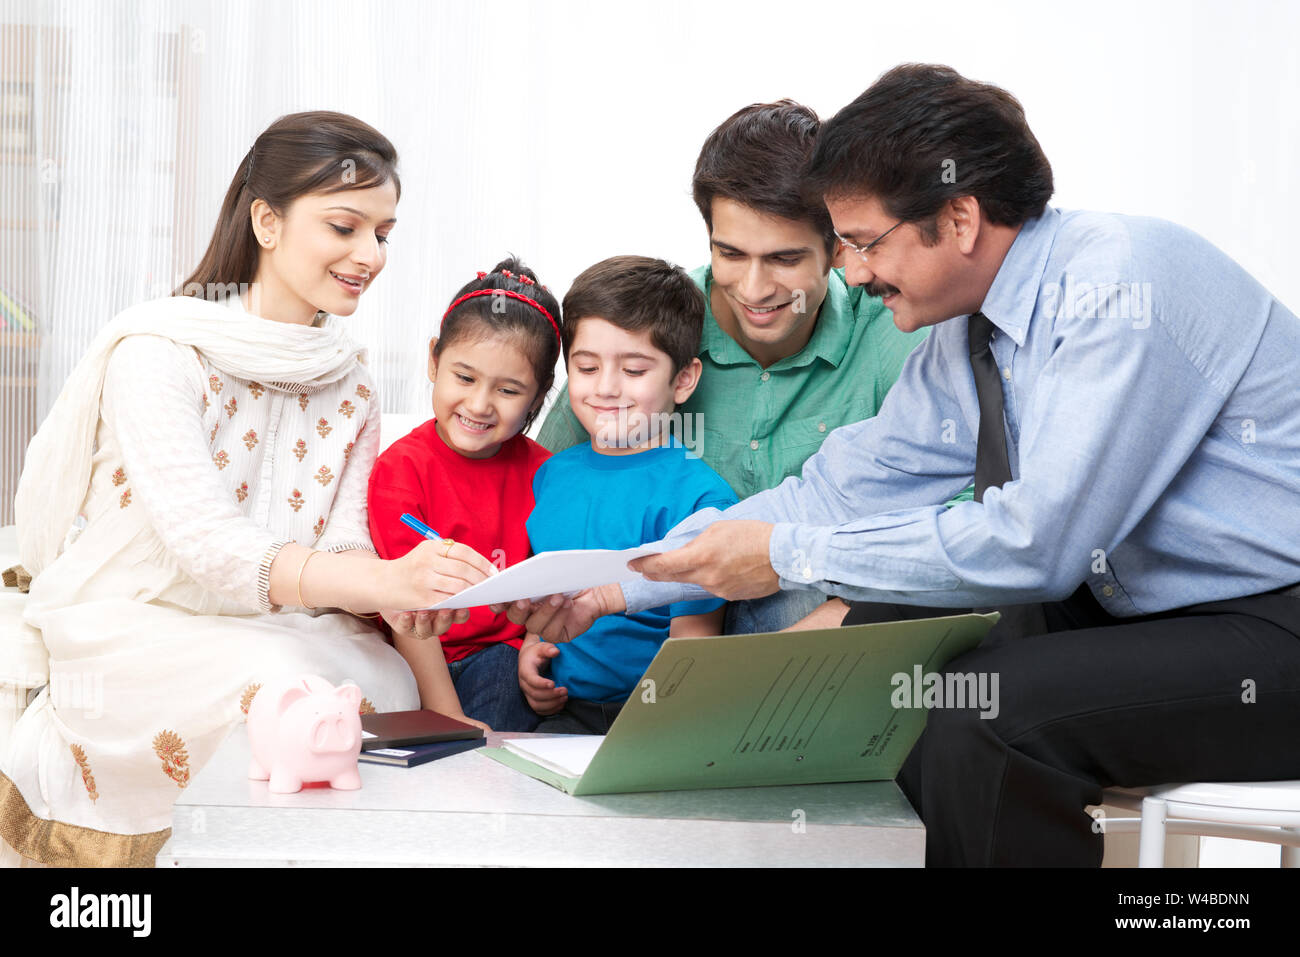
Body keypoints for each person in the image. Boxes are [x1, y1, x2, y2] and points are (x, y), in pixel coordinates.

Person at [505, 65, 1300, 866]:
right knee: (886, 646)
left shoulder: (1113, 284)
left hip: (1273, 622)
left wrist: (782, 555)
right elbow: (833, 491)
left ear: (958, 217)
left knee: (985, 719)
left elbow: (1038, 545)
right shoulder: (969, 332)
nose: (850, 273)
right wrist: (617, 583)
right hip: (1143, 613)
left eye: (861, 242)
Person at [0, 111, 494, 867]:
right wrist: (378, 577)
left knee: (385, 674)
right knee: (281, 693)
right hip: (138, 618)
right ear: (267, 220)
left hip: (282, 621)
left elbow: (343, 541)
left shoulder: (351, 377)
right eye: (345, 226)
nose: (371, 254)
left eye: (383, 233)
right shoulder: (161, 354)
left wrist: (395, 588)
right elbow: (210, 547)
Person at [535, 100, 943, 635]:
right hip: (650, 625)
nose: (753, 290)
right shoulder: (645, 328)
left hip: (816, 614)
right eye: (731, 254)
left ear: (838, 250)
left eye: (784, 259)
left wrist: (845, 620)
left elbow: (958, 509)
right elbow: (542, 483)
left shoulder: (897, 331)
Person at [518, 256, 737, 734]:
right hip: (565, 712)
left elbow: (693, 643)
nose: (606, 388)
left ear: (683, 379)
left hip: (656, 718)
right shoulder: (549, 475)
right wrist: (531, 650)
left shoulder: (701, 498)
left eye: (634, 370)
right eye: (587, 367)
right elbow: (541, 593)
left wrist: (658, 725)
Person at [367, 259, 557, 732]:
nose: (478, 405)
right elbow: (407, 613)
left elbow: (552, 583)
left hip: (501, 664)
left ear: (539, 395)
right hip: (415, 656)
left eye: (509, 390)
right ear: (434, 360)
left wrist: (534, 645)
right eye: (465, 378)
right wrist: (447, 716)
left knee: (504, 675)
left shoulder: (547, 473)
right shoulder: (400, 470)